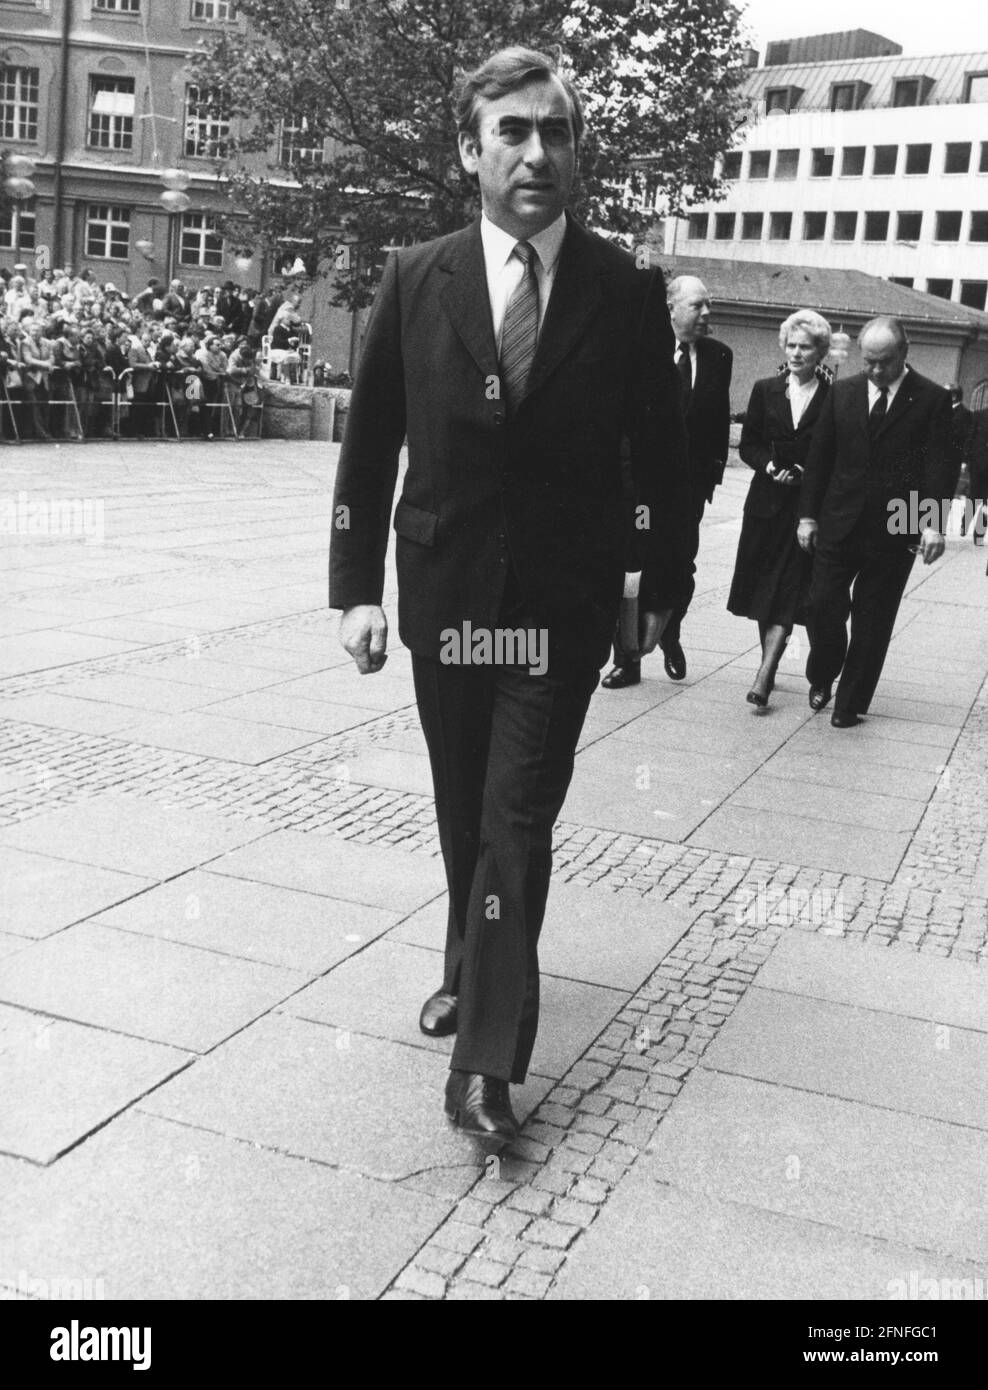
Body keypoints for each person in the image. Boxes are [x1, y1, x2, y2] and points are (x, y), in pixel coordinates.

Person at [329, 46, 694, 1143]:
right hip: (446, 597)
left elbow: (660, 455)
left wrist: (659, 582)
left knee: (515, 818)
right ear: (469, 151)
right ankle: (465, 960)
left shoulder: (622, 290)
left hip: (556, 611)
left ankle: (487, 1061)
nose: (538, 152)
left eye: (556, 132)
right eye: (513, 133)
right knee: (462, 813)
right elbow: (370, 442)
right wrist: (354, 588)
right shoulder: (416, 276)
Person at [797, 316, 959, 727]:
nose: (873, 370)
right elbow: (820, 458)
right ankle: (823, 671)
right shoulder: (843, 392)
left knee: (873, 617)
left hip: (895, 526)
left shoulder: (931, 399)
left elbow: (940, 468)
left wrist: (932, 523)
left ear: (903, 353)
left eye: (882, 362)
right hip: (839, 521)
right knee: (821, 606)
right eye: (867, 361)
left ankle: (849, 704)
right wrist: (808, 516)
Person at [601, 274, 730, 689]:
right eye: (698, 306)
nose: (707, 313)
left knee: (681, 567)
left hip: (687, 489)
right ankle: (628, 659)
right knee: (633, 568)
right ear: (671, 308)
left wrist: (710, 477)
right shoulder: (641, 352)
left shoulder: (719, 357)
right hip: (640, 489)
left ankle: (669, 631)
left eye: (709, 304)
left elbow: (716, 420)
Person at [728, 311, 833, 709]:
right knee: (762, 588)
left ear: (820, 352)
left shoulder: (833, 396)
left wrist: (807, 473)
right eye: (790, 345)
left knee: (788, 588)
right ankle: (768, 662)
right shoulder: (765, 389)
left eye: (804, 346)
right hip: (765, 505)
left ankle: (765, 674)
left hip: (805, 509)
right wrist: (770, 467)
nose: (795, 352)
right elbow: (749, 444)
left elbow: (832, 451)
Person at [966, 404, 988, 545]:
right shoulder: (978, 415)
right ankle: (965, 522)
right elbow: (970, 439)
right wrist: (967, 461)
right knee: (974, 498)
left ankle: (979, 534)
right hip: (978, 465)